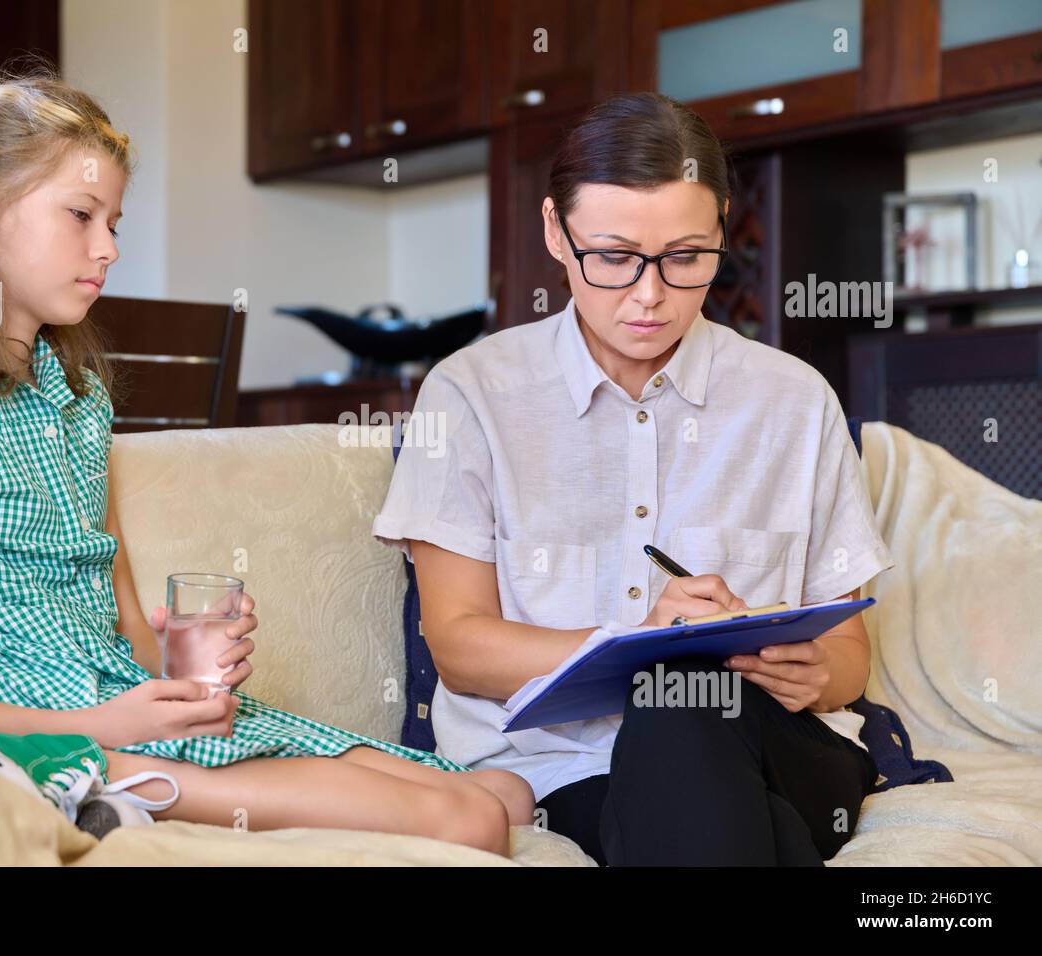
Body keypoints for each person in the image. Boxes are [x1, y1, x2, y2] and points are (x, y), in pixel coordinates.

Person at [0, 63, 533, 853]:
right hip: (53, 736)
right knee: (472, 817)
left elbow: (124, 629)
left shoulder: (78, 402)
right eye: (81, 215)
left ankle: (135, 782)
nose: (107, 248)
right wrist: (96, 726)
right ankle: (91, 789)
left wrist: (189, 659)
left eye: (115, 223)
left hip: (120, 703)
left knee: (505, 791)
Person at [373, 92, 893, 866]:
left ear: (722, 227)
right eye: (614, 257)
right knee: (733, 803)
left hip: (779, 747)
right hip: (562, 769)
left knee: (679, 700)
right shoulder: (473, 394)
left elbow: (848, 652)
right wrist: (635, 643)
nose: (649, 296)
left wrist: (814, 672)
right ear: (556, 231)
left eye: (686, 258)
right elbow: (460, 646)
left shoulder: (792, 399)